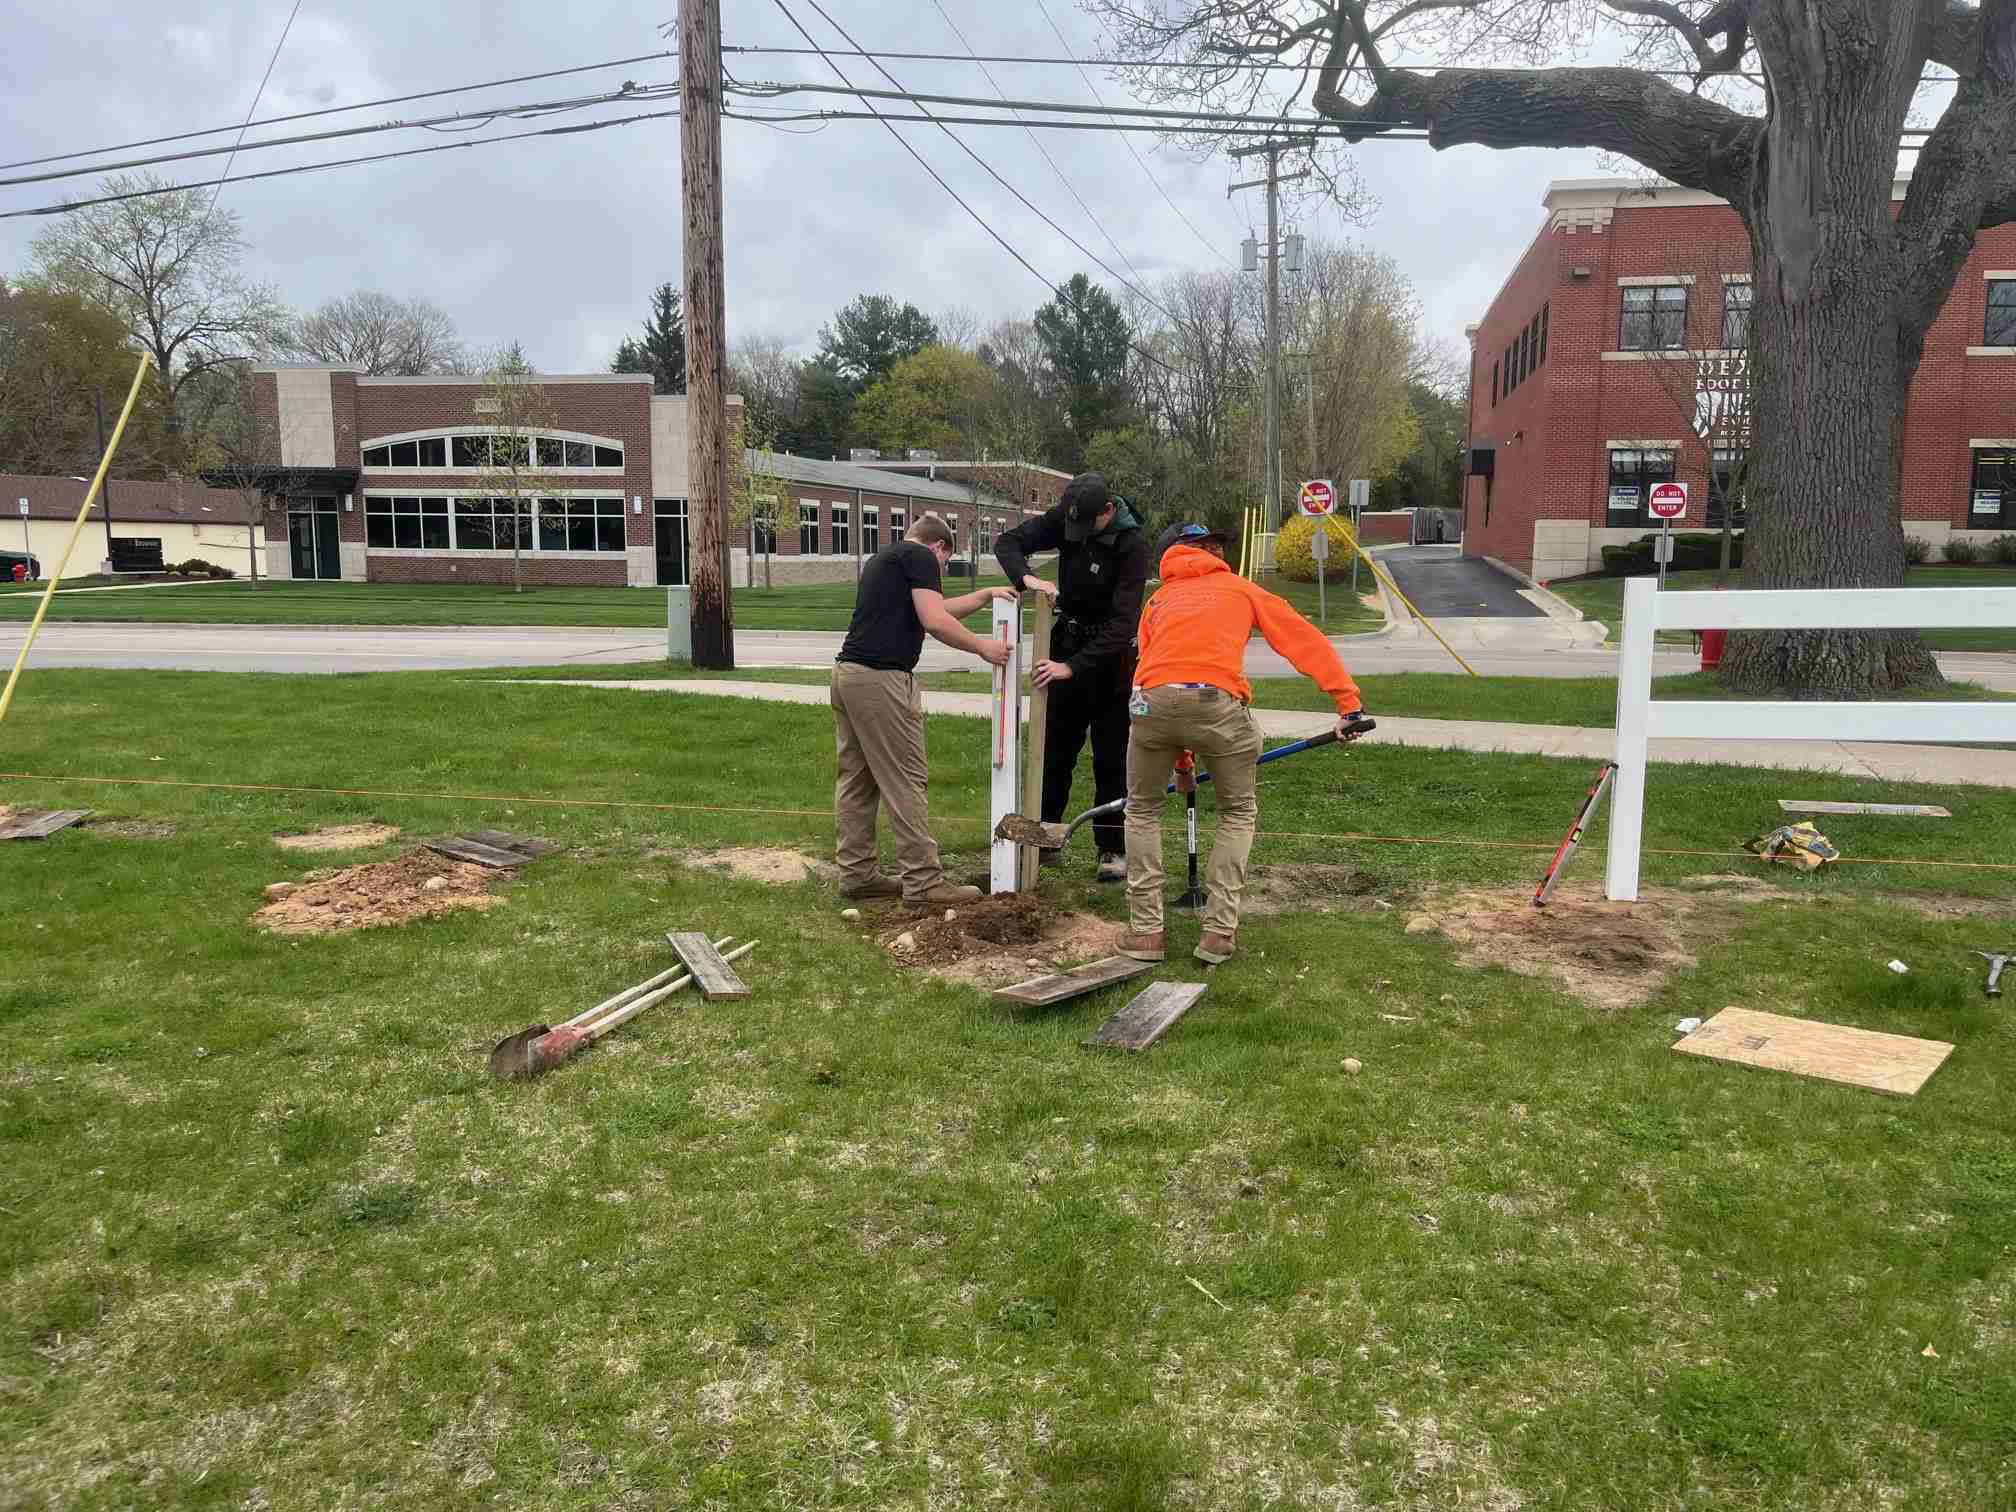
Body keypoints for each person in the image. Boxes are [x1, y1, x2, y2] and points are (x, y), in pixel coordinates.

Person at [1120, 522, 1371, 966]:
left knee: (1142, 810)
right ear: (1211, 552)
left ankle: (1145, 934)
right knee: (1236, 812)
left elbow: (1166, 678)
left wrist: (1182, 764)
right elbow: (1302, 640)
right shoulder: (1240, 589)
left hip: (1149, 705)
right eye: (1216, 545)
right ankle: (1218, 933)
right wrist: (1348, 705)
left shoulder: (1157, 600)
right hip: (1216, 702)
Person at [832, 513, 1017, 905]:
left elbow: (936, 608)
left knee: (858, 779)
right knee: (906, 778)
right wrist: (983, 647)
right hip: (881, 681)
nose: (942, 570)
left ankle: (858, 873)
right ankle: (923, 882)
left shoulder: (887, 558)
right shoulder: (920, 558)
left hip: (849, 675)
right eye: (945, 564)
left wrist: (984, 596)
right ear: (938, 548)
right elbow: (935, 620)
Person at [993, 472, 1150, 883]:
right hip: (1066, 642)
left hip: (1110, 662)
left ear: (1109, 511)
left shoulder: (1132, 545)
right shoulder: (1068, 519)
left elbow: (1123, 623)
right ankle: (1045, 838)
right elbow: (1008, 542)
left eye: (1085, 526)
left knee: (1111, 757)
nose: (1074, 534)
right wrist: (1026, 578)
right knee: (1055, 751)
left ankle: (1111, 848)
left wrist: (1074, 665)